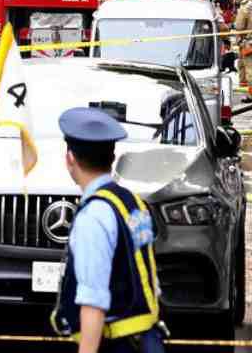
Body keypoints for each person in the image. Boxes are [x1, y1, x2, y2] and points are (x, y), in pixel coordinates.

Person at [51, 107, 165, 353]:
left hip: (117, 344)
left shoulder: (94, 215)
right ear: (112, 158)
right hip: (146, 338)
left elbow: (94, 300)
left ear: (69, 158)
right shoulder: (134, 204)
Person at [234, 0, 252, 101]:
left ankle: (250, 95)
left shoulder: (244, 8)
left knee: (248, 70)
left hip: (248, 45)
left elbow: (239, 27)